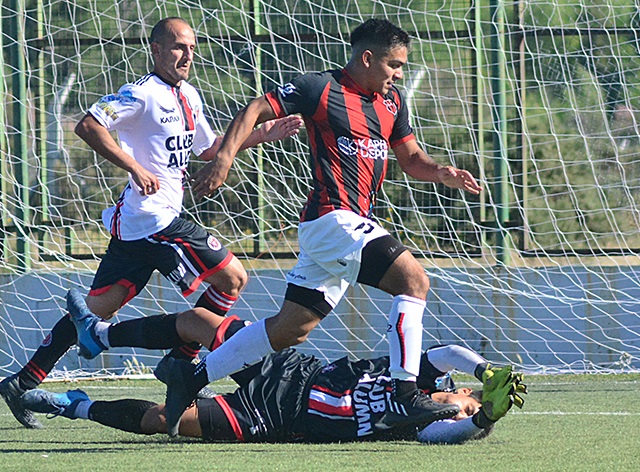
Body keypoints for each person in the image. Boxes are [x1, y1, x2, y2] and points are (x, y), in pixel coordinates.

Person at [160, 17, 483, 436]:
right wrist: (224, 157)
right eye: (393, 65)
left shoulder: (392, 103)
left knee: (291, 328)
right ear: (367, 58)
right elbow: (256, 108)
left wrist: (442, 172)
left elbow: (411, 159)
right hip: (332, 219)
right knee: (414, 281)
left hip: (343, 229)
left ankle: (193, 376)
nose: (398, 74)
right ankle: (405, 393)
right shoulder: (321, 88)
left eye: (402, 66)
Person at [0, 17, 302, 429]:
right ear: (156, 50)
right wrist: (134, 166)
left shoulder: (189, 95)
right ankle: (181, 363)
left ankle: (22, 381)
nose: (186, 55)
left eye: (191, 48)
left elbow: (210, 150)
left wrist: (262, 134)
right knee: (232, 278)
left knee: (97, 309)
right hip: (152, 220)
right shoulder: (140, 94)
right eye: (177, 47)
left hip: (141, 225)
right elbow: (88, 124)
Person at [24, 293, 526, 444]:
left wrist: (482, 422)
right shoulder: (415, 377)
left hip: (276, 419)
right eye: (462, 408)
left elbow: (446, 436)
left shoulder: (417, 426)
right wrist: (485, 372)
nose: (455, 415)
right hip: (294, 370)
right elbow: (451, 352)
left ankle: (73, 405)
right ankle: (101, 336)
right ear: (454, 391)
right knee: (201, 320)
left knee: (165, 420)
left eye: (460, 418)